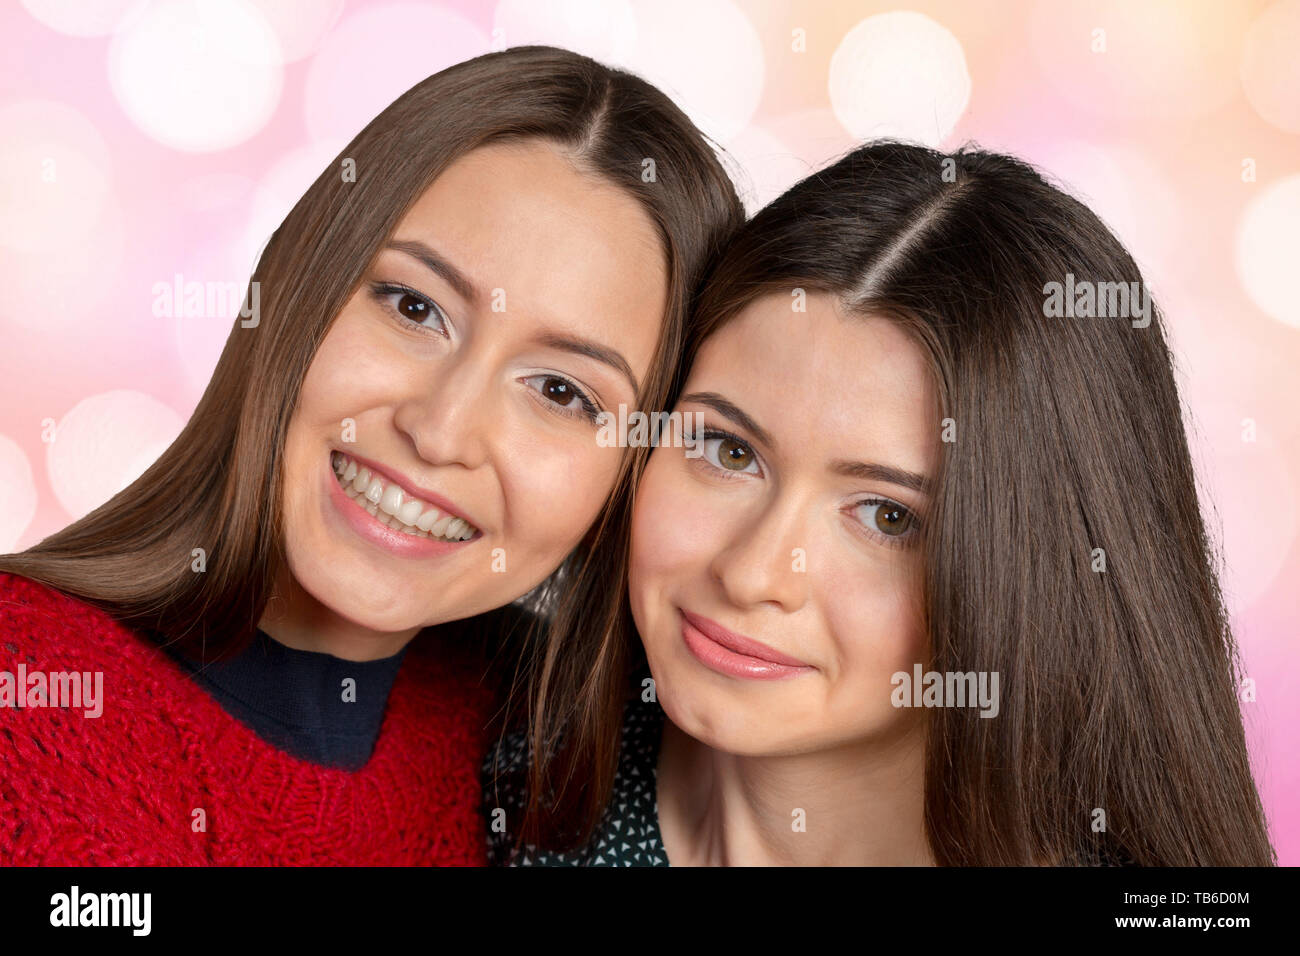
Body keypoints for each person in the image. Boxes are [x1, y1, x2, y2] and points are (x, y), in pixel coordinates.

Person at [0, 45, 743, 865]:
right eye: (414, 306)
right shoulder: (32, 700)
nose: (442, 429)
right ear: (299, 288)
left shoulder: (551, 756)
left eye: (562, 393)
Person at [485, 141, 1275, 867]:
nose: (755, 573)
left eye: (887, 516)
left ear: (1038, 578)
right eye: (728, 451)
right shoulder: (488, 773)